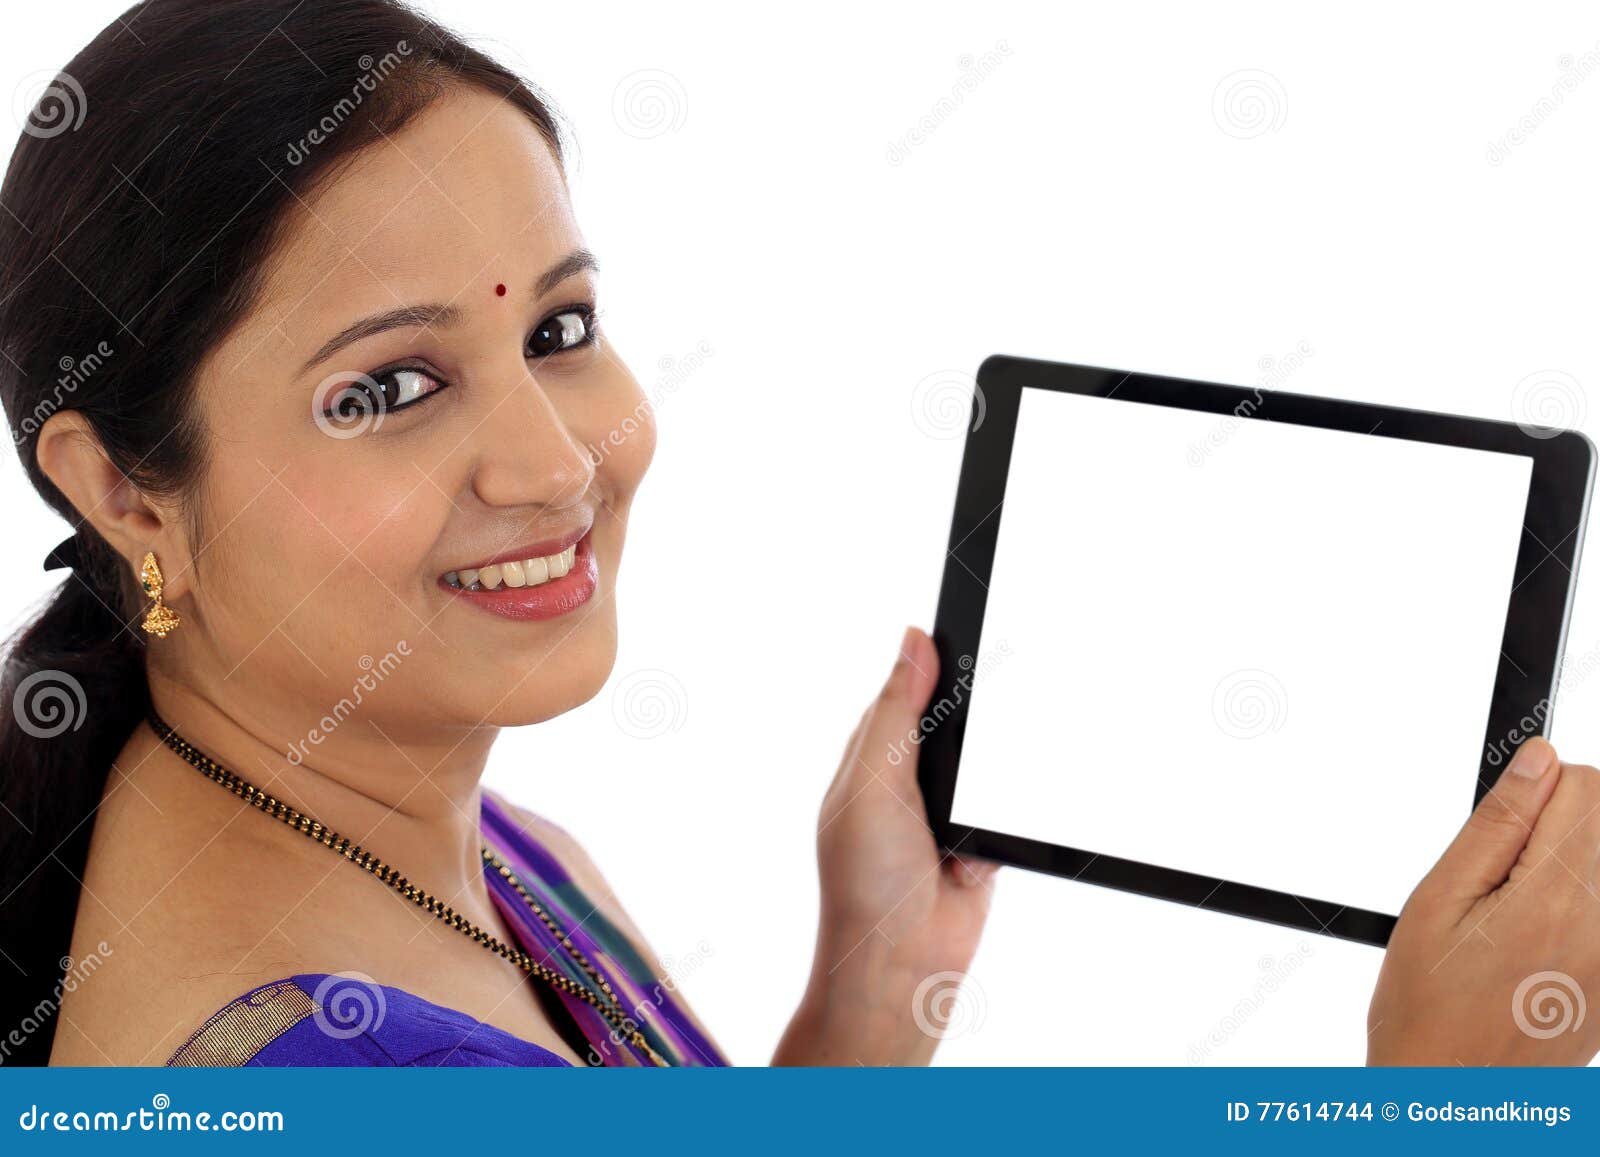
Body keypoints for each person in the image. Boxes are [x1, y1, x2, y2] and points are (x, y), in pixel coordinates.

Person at [1, 0, 1598, 1067]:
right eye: (394, 384)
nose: (557, 464)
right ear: (124, 488)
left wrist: (872, 985)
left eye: (560, 330)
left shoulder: (472, 841)